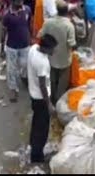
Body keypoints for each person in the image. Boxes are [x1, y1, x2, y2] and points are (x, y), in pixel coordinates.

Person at [38, 0, 76, 103]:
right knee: (62, 82)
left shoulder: (48, 22)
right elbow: (71, 43)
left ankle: (51, 97)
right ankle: (59, 100)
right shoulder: (69, 25)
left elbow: (40, 35)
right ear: (67, 11)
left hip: (51, 57)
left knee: (51, 79)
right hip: (64, 58)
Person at [27, 34, 56, 165]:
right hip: (41, 99)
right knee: (42, 128)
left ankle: (33, 144)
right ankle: (37, 156)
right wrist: (49, 104)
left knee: (36, 122)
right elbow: (43, 85)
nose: (53, 51)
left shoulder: (33, 49)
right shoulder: (42, 62)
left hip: (33, 94)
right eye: (52, 48)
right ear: (45, 48)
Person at [0, 0, 30, 102]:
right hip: (12, 46)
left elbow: (29, 24)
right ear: (12, 1)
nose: (20, 3)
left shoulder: (27, 10)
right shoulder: (7, 15)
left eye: (21, 0)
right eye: (18, 0)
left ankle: (24, 77)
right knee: (11, 69)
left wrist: (30, 36)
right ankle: (13, 89)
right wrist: (2, 48)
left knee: (25, 65)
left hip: (25, 44)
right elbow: (3, 32)